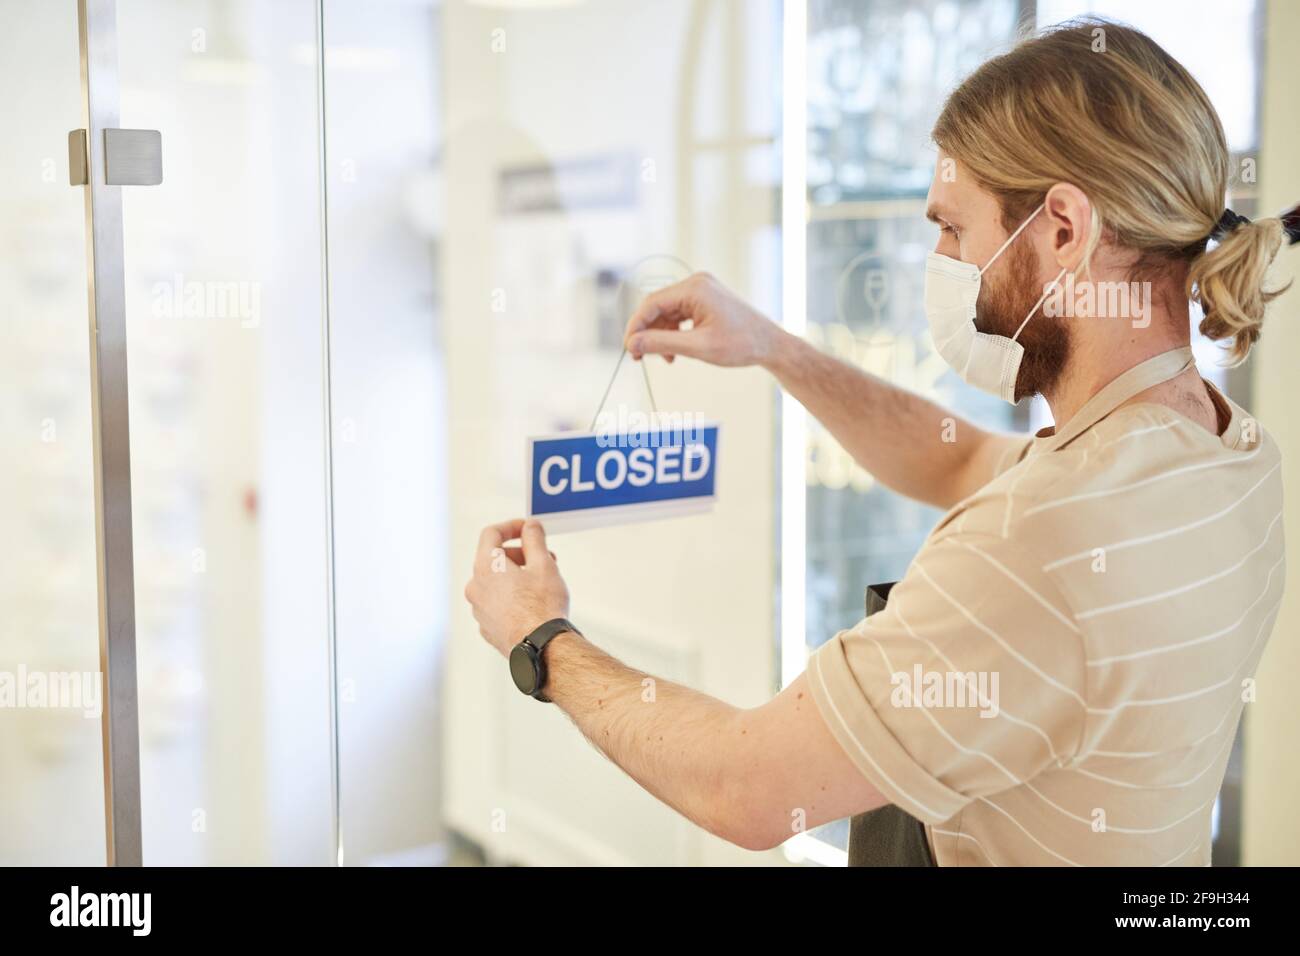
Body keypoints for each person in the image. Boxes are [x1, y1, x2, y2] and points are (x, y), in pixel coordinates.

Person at [463, 18, 1290, 865]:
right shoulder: (1228, 452)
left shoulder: (1042, 539)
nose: (940, 257)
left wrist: (541, 640)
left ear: (1066, 231)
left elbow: (746, 789)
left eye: (954, 229)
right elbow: (958, 458)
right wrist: (773, 347)